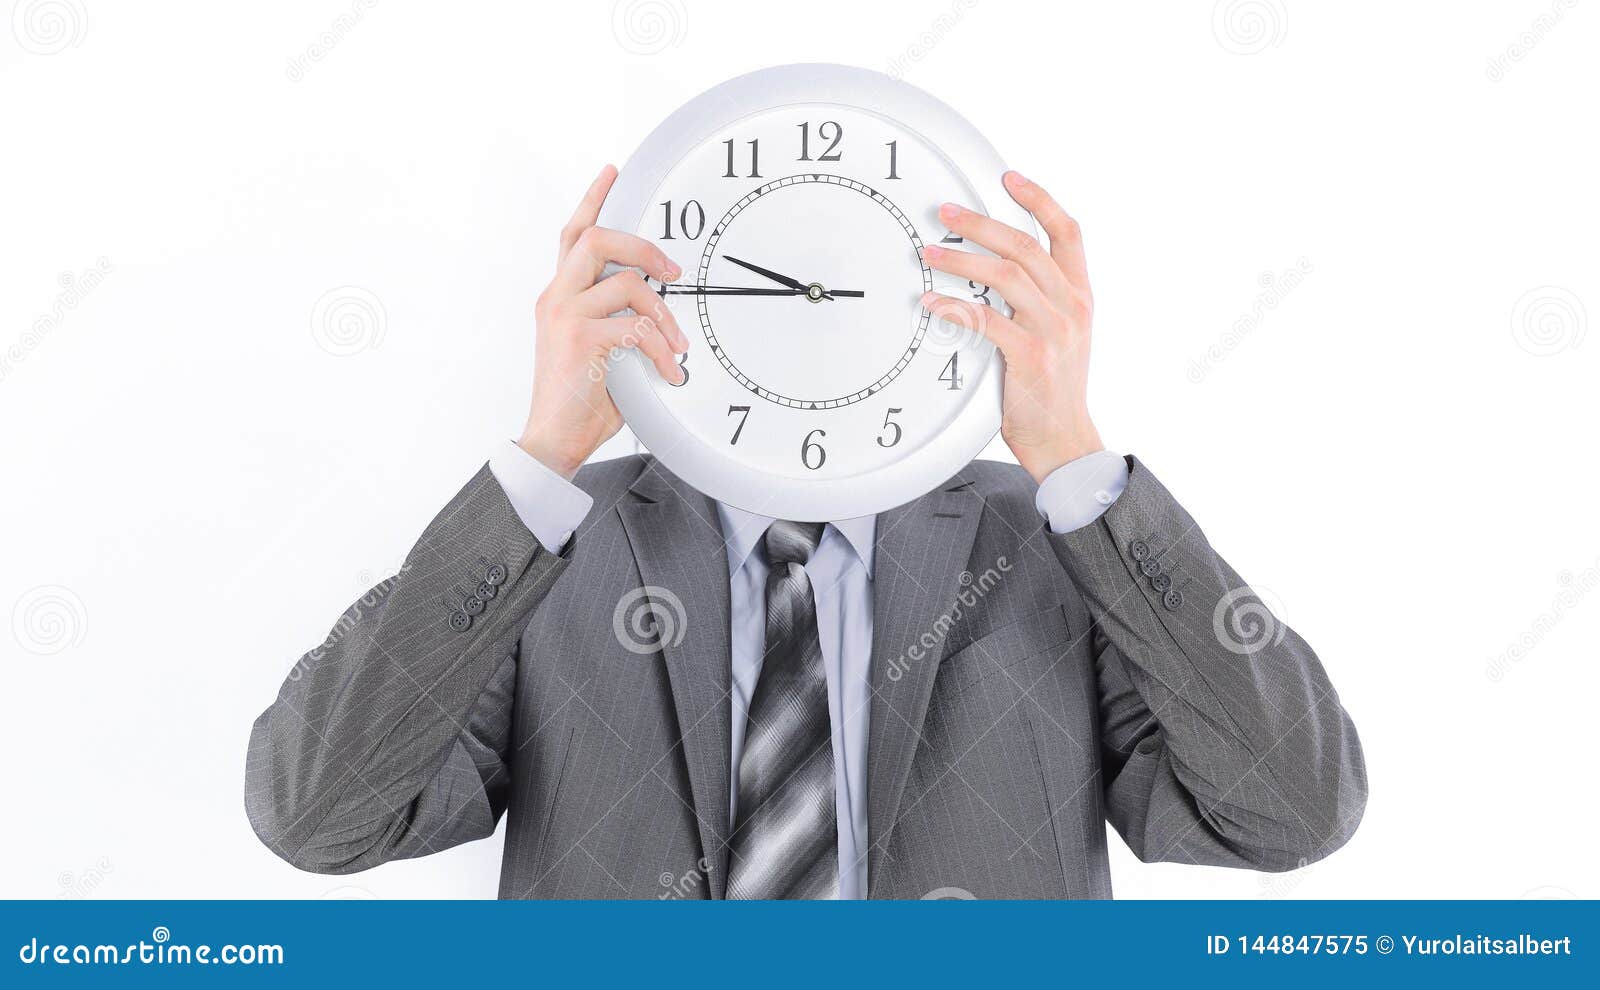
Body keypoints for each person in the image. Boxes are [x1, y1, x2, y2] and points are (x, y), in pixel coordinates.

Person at [244, 167, 1366, 899]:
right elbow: (315, 813)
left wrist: (1073, 458)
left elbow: (1291, 811)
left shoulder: (1051, 546)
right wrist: (542, 457)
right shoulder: (559, 547)